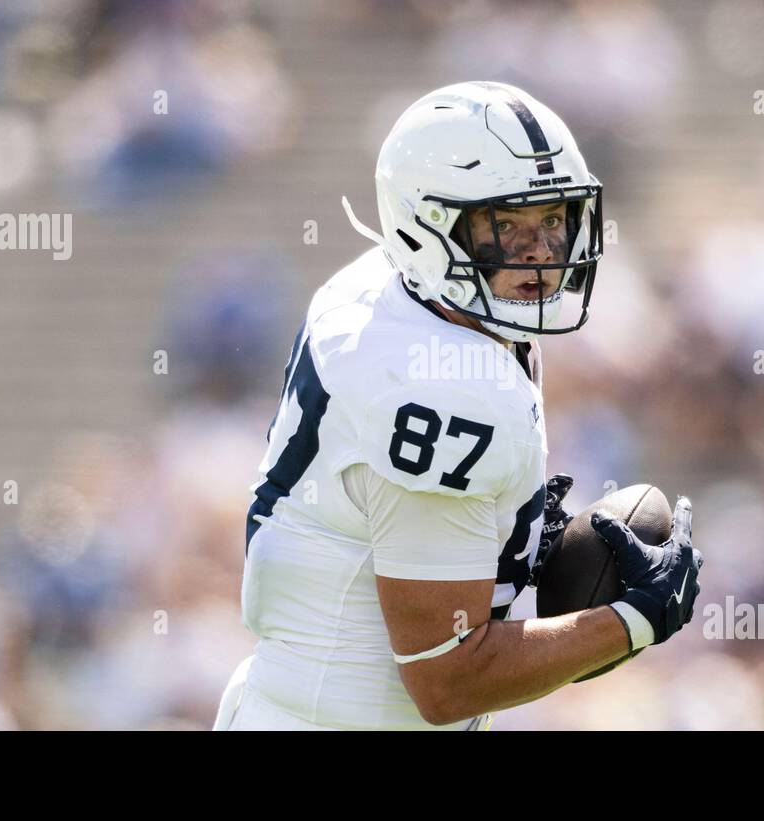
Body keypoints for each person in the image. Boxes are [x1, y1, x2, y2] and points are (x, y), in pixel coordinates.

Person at [214, 82, 703, 730]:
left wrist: (504, 537)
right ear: (430, 224)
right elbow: (446, 680)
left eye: (552, 220)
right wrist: (631, 621)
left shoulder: (392, 287)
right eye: (506, 226)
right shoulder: (440, 389)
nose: (540, 251)